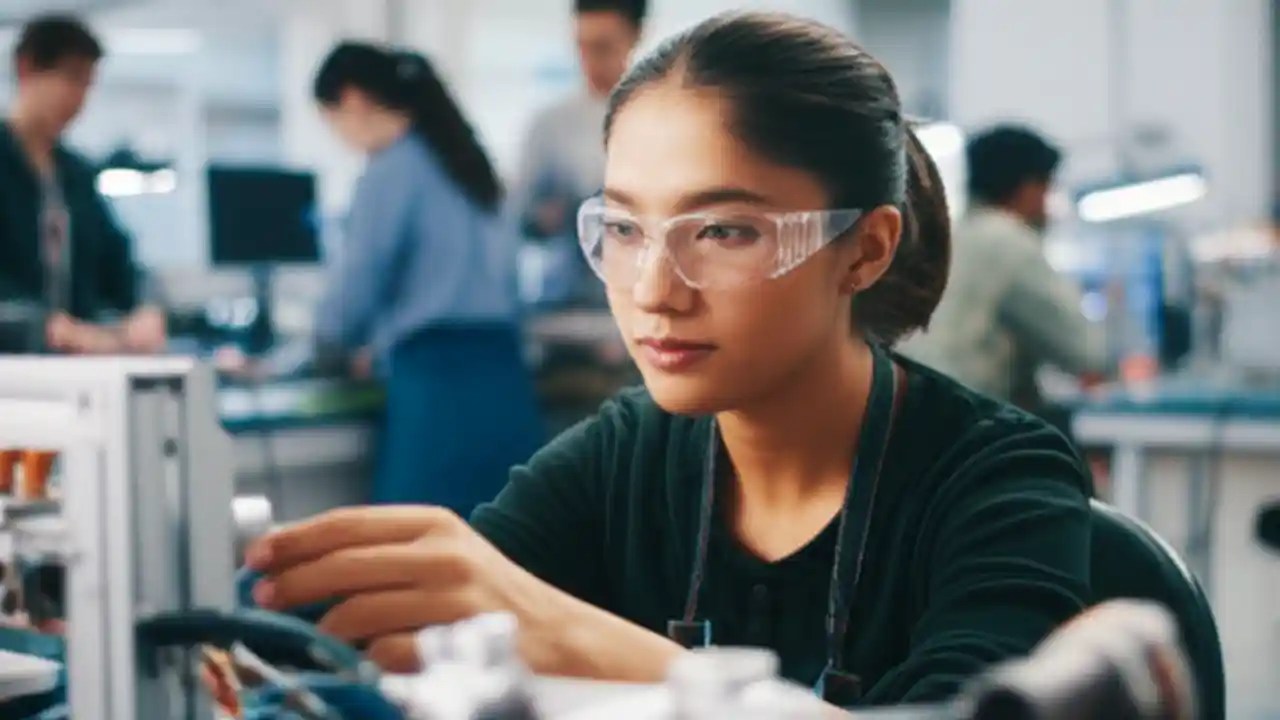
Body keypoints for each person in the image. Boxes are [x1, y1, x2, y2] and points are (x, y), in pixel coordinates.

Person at [245, 13, 1092, 709]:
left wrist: (579, 640)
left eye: (722, 231)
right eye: (623, 229)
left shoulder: (997, 478)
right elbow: (425, 645)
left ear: (863, 251)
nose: (654, 290)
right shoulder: (621, 458)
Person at [312, 43, 544, 512]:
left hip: (438, 388)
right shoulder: (470, 166)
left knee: (417, 555)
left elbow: (358, 281)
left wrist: (318, 348)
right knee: (506, 547)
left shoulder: (390, 170)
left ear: (353, 101)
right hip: (505, 379)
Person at [899, 125, 1106, 412]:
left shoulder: (948, 238)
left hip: (910, 415)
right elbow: (1086, 352)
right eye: (1047, 190)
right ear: (1030, 188)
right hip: (962, 425)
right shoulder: (1009, 240)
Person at [0, 15, 166, 354]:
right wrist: (42, 325)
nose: (80, 98)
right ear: (27, 68)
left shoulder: (75, 175)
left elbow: (119, 260)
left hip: (75, 368)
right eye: (72, 78)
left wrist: (144, 308)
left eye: (88, 84)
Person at [509, 0, 646, 306]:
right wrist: (546, 218)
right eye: (581, 46)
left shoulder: (663, 118)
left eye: (603, 47)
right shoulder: (549, 125)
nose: (589, 61)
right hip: (567, 299)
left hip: (641, 293)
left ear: (636, 35)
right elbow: (516, 217)